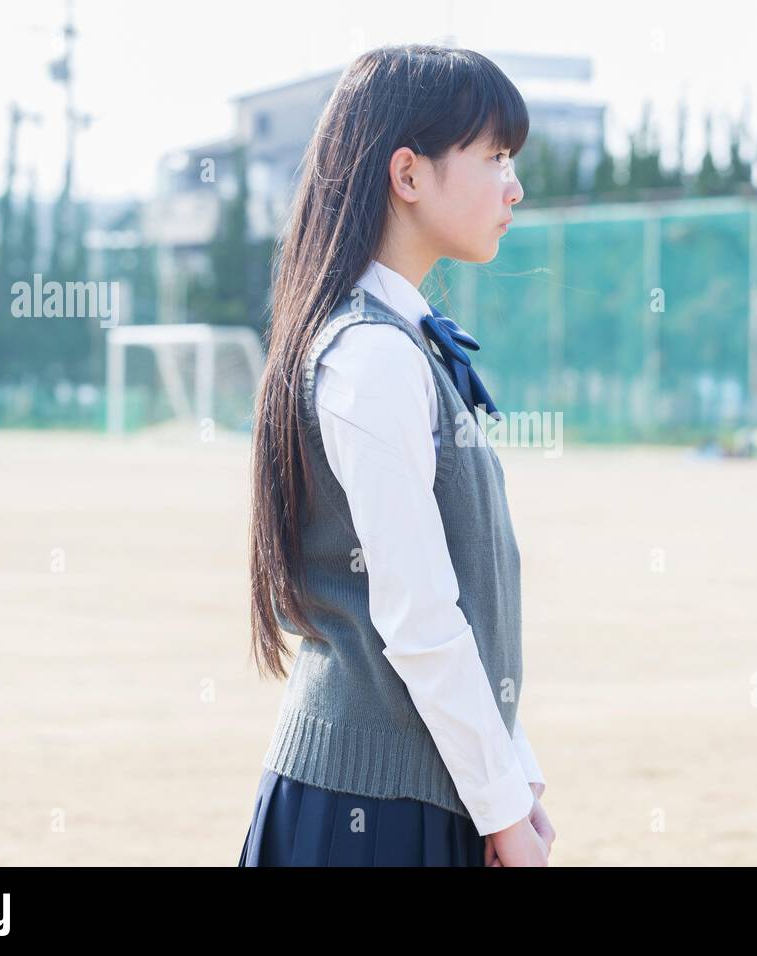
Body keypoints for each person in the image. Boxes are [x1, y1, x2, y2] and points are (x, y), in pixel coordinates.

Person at [238, 43, 555, 867]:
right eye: (495, 157)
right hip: (368, 810)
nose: (513, 185)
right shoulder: (370, 356)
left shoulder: (400, 342)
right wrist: (500, 806)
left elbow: (469, 602)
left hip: (411, 795)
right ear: (407, 174)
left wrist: (514, 777)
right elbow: (419, 618)